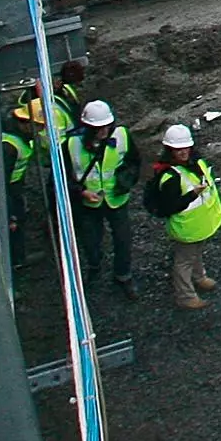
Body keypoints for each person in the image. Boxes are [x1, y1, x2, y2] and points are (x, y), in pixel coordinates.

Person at [142, 124, 221, 309]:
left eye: (185, 147)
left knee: (196, 253)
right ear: (170, 150)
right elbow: (168, 207)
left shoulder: (196, 163)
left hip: (202, 224)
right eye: (178, 149)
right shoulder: (170, 177)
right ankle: (185, 295)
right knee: (184, 261)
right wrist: (191, 195)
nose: (183, 152)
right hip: (186, 227)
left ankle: (199, 276)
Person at [63, 98, 137, 298]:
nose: (104, 131)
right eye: (98, 128)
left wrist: (125, 182)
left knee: (123, 239)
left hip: (117, 199)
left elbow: (133, 163)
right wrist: (80, 192)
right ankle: (94, 266)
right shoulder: (70, 144)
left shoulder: (122, 135)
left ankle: (123, 275)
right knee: (90, 241)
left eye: (106, 126)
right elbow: (61, 178)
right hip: (88, 204)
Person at [0, 87, 45, 270]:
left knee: (19, 221)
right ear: (26, 123)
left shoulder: (20, 135)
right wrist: (9, 214)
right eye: (39, 126)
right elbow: (1, 184)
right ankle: (14, 264)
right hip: (9, 190)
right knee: (13, 226)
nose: (41, 131)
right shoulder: (9, 147)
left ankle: (19, 257)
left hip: (16, 186)